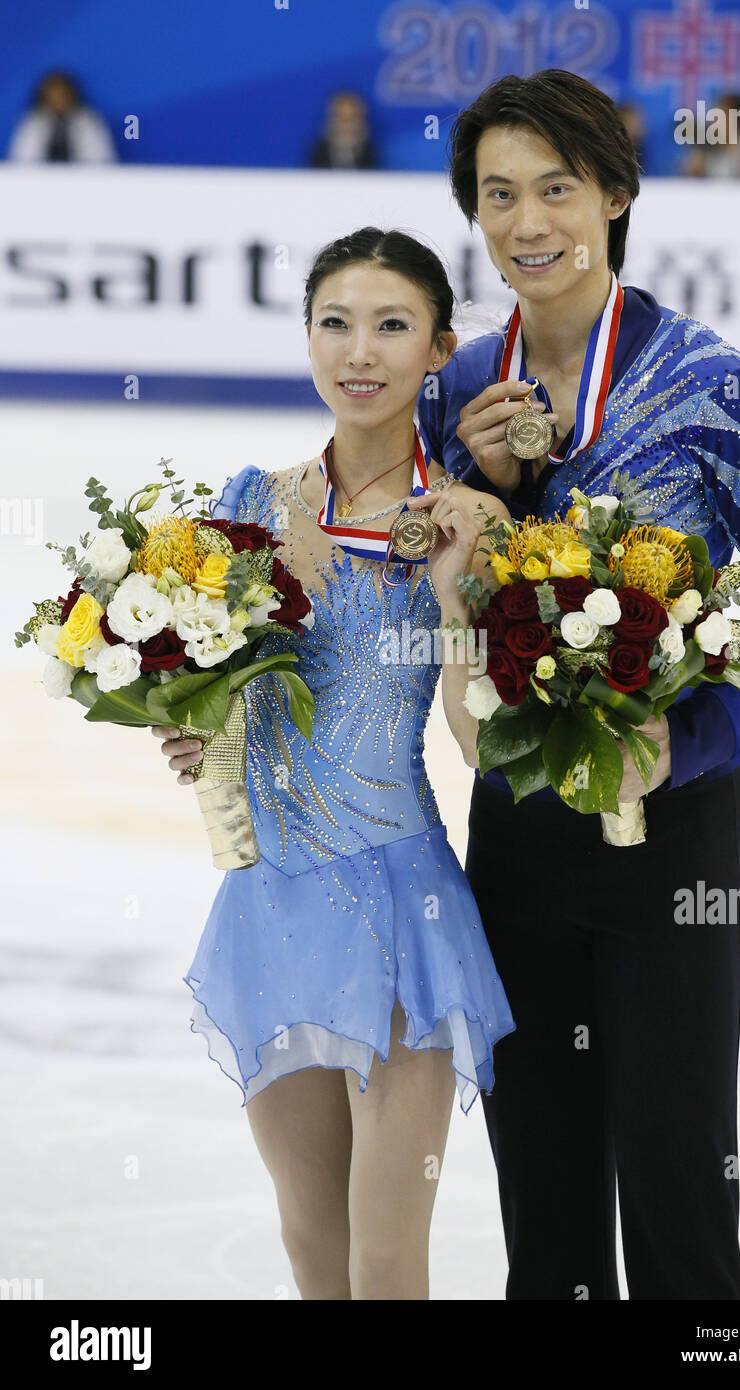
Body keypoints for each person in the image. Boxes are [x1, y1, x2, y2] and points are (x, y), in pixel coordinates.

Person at [411, 69, 740, 1300]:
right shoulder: (457, 391)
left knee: (674, 1181)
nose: (526, 220)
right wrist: (485, 489)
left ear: (612, 193)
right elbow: (423, 582)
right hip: (517, 830)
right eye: (497, 195)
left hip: (672, 831)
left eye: (555, 186)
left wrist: (687, 742)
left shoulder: (712, 386)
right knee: (539, 1182)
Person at [152, 227, 515, 1300]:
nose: (360, 351)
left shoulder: (465, 517)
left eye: (391, 326)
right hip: (269, 901)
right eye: (335, 323)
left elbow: (481, 743)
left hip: (400, 908)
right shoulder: (252, 502)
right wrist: (193, 725)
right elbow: (227, 683)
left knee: (385, 1256)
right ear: (306, 334)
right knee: (310, 1249)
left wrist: (455, 597)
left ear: (439, 347)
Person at [7, 71, 116, 163]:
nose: (58, 100)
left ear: (72, 95)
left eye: (62, 95)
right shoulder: (32, 121)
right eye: (52, 96)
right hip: (38, 181)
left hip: (82, 182)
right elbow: (20, 158)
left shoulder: (88, 120)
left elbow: (101, 158)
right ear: (43, 97)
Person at [309, 91, 377, 169]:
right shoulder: (319, 153)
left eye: (351, 118)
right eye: (342, 118)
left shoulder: (372, 154)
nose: (346, 126)